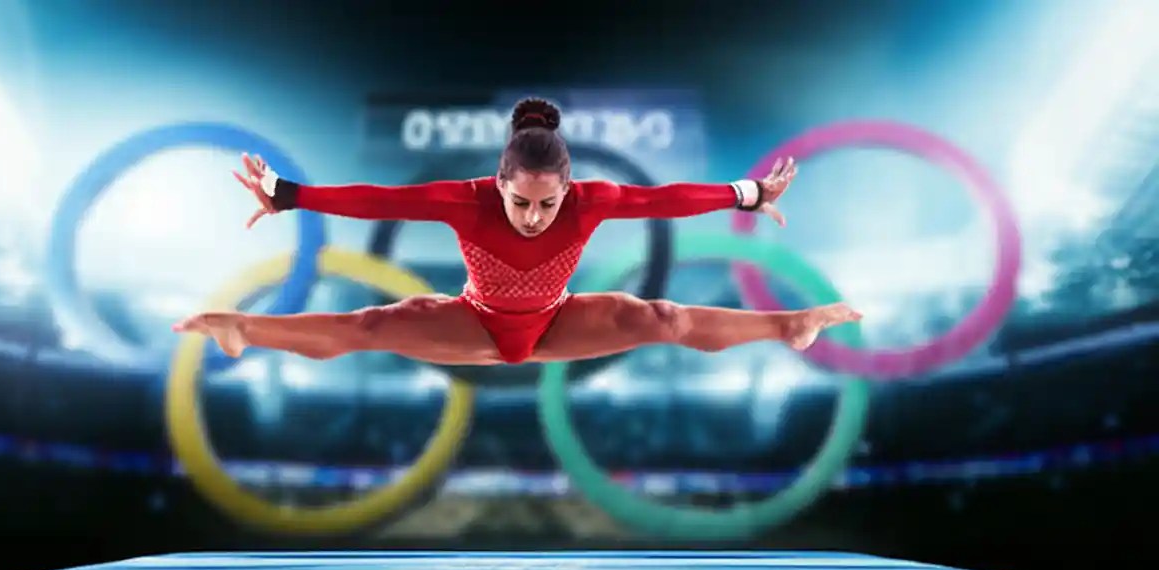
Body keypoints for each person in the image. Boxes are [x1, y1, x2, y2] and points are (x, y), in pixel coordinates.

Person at [173, 97, 860, 366]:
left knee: (664, 316)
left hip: (557, 320)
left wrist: (747, 193)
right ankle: (241, 327)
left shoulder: (592, 201)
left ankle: (788, 324)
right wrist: (287, 196)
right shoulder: (464, 202)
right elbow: (374, 200)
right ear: (499, 182)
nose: (534, 218)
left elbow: (668, 200)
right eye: (522, 204)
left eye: (547, 205)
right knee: (371, 327)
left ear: (565, 188)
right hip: (478, 320)